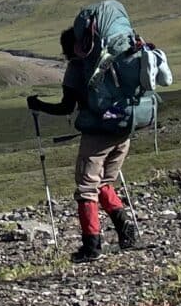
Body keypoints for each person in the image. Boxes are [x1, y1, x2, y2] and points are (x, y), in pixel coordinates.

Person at [28, 25, 143, 263]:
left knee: (86, 188)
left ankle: (92, 247)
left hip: (98, 133)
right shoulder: (110, 59)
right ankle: (126, 233)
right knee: (104, 183)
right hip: (123, 127)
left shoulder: (77, 67)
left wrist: (38, 105)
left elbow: (66, 107)